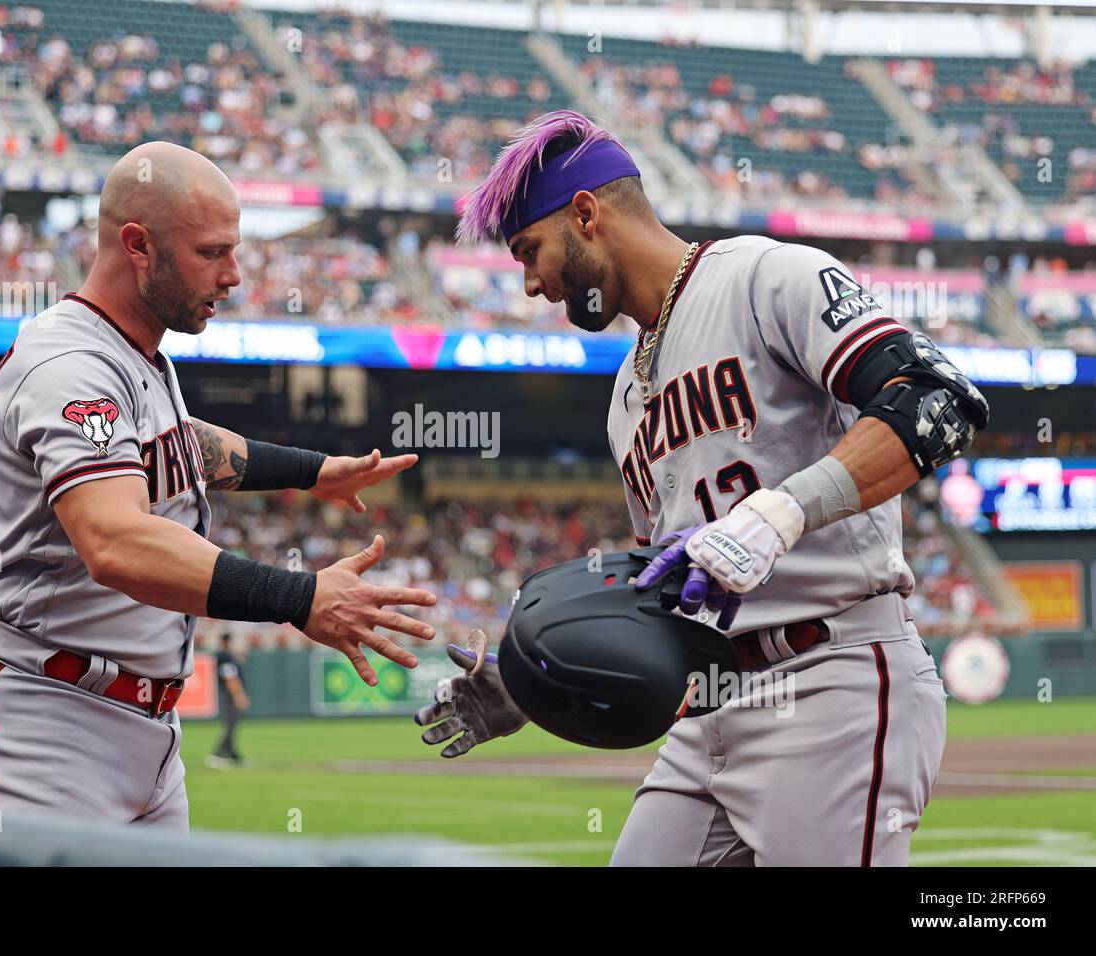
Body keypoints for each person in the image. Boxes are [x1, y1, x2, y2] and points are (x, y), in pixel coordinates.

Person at [419, 111, 988, 866]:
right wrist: (535, 685)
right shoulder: (626, 396)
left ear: (586, 213)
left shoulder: (764, 276)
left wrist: (780, 514)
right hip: (710, 703)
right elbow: (664, 597)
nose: (528, 284)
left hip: (832, 679)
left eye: (531, 251)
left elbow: (938, 399)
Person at [0, 142, 438, 829]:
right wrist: (300, 596)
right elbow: (117, 542)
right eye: (211, 252)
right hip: (44, 728)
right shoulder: (71, 363)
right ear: (137, 245)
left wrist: (310, 471)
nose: (233, 274)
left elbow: (182, 443)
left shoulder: (133, 355)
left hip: (144, 733)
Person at [206, 629, 250, 769]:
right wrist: (238, 695)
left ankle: (232, 754)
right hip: (230, 695)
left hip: (228, 694)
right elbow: (230, 677)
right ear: (227, 642)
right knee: (231, 724)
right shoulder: (225, 657)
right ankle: (217, 754)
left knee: (233, 724)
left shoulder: (225, 656)